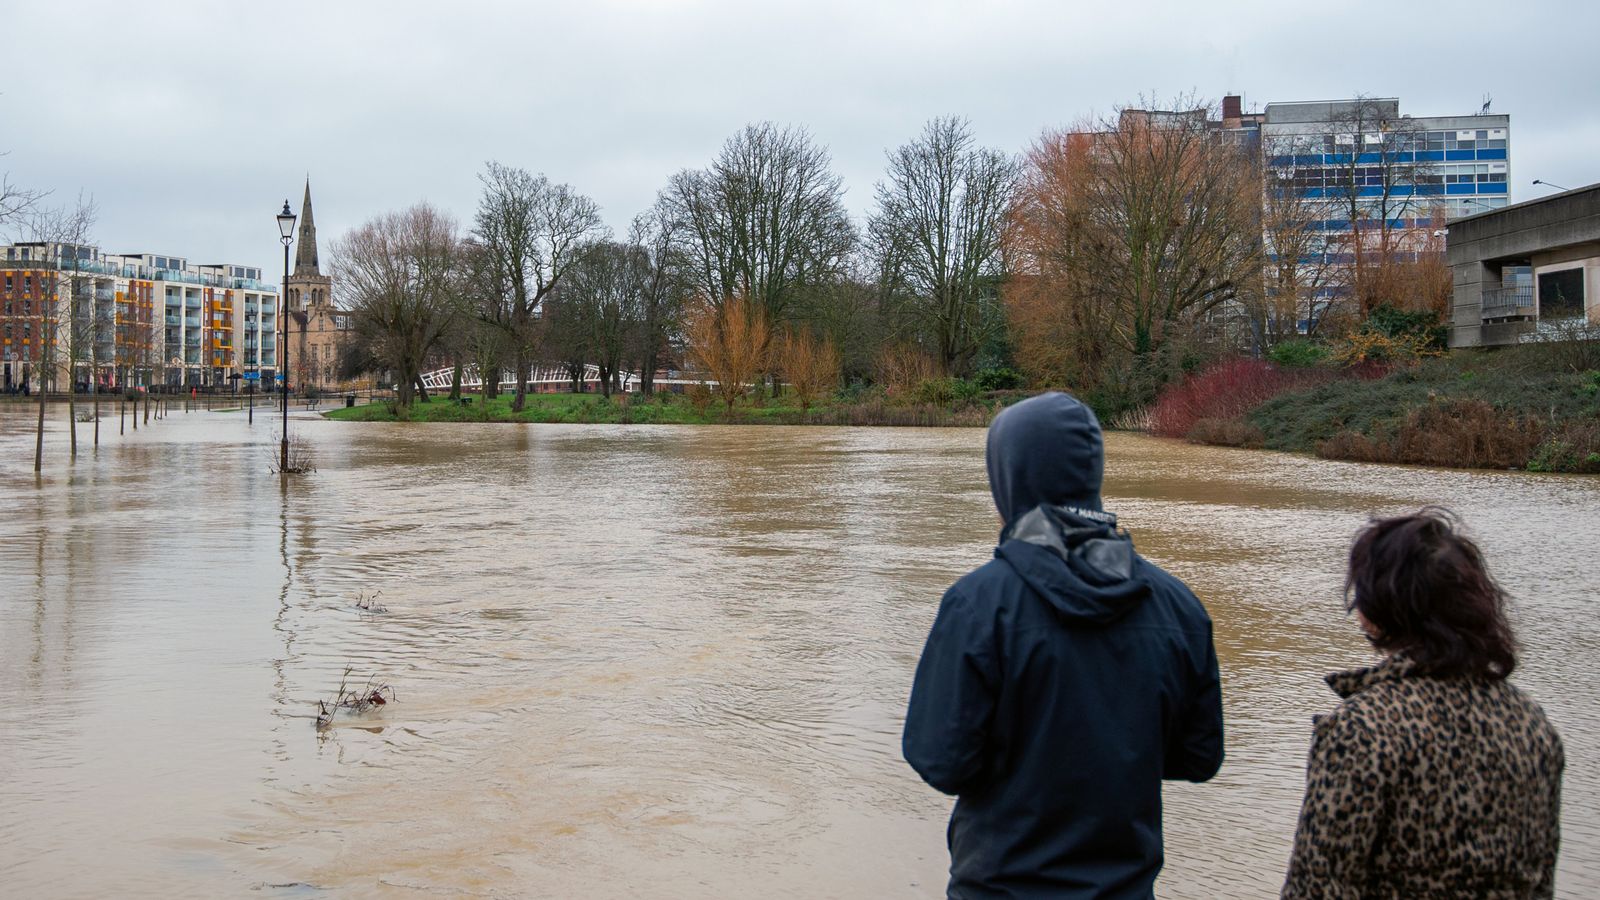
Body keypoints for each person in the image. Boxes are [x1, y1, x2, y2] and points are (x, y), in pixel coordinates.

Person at [903, 391, 1224, 899]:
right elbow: (1198, 758)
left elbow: (941, 761)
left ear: (1008, 479)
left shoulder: (978, 604)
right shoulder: (1178, 607)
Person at [1282, 509, 1564, 899]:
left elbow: (1316, 888)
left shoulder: (1363, 729)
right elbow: (1540, 882)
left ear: (1376, 611)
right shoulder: (1531, 725)